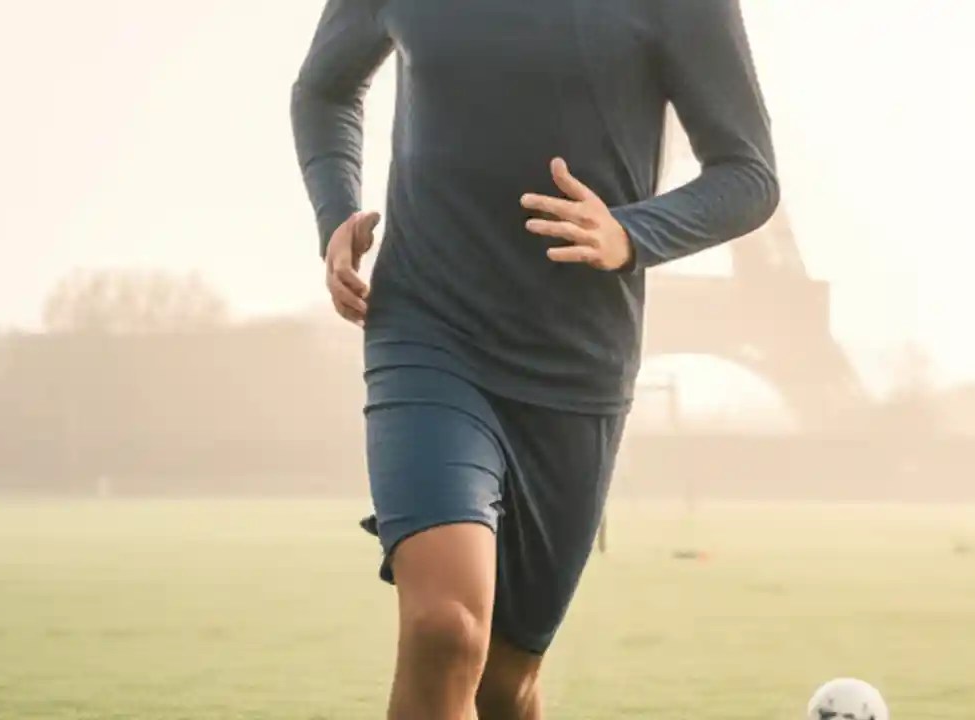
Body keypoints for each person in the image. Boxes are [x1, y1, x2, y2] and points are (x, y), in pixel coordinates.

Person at [290, 0, 778, 717]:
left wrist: (631, 232)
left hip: (577, 365)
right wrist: (336, 213)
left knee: (506, 682)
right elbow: (324, 87)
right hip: (428, 331)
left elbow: (749, 174)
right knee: (445, 630)